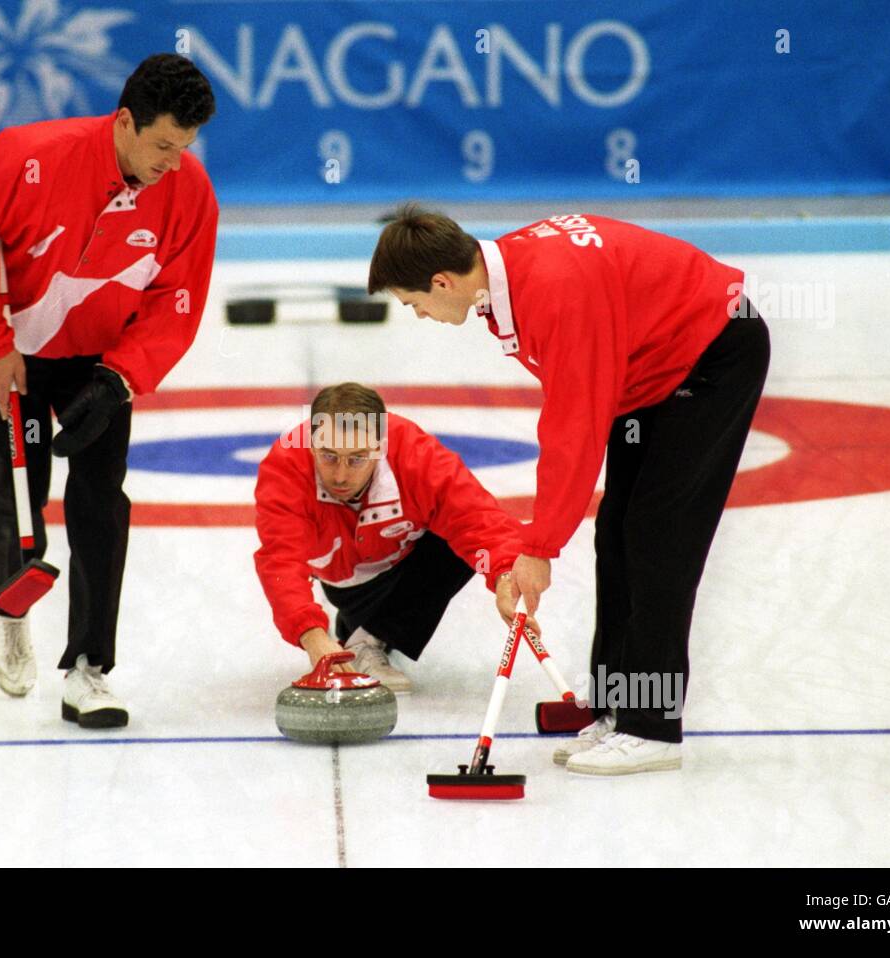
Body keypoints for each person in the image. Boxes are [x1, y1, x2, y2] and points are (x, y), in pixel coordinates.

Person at [368, 206, 770, 774]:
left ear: (442, 281)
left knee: (659, 538)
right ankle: (616, 709)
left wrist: (539, 547)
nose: (421, 315)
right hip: (650, 369)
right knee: (619, 530)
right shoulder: (506, 275)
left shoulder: (554, 291)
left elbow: (573, 426)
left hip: (708, 359)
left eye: (415, 304)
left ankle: (652, 728)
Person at [0, 54, 218, 727]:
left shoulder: (189, 191)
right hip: (10, 351)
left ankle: (89, 668)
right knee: (17, 493)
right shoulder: (23, 159)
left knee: (99, 500)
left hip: (99, 361)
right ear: (124, 121)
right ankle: (12, 602)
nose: (172, 163)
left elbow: (178, 297)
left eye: (184, 148)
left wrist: (121, 377)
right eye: (161, 145)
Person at [253, 383, 532, 693]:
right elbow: (281, 560)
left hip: (407, 563)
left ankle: (367, 636)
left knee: (459, 540)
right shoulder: (285, 466)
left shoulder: (416, 454)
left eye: (357, 458)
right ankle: (361, 627)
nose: (341, 476)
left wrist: (505, 575)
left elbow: (480, 520)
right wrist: (311, 634)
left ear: (380, 446)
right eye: (329, 456)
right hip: (347, 584)